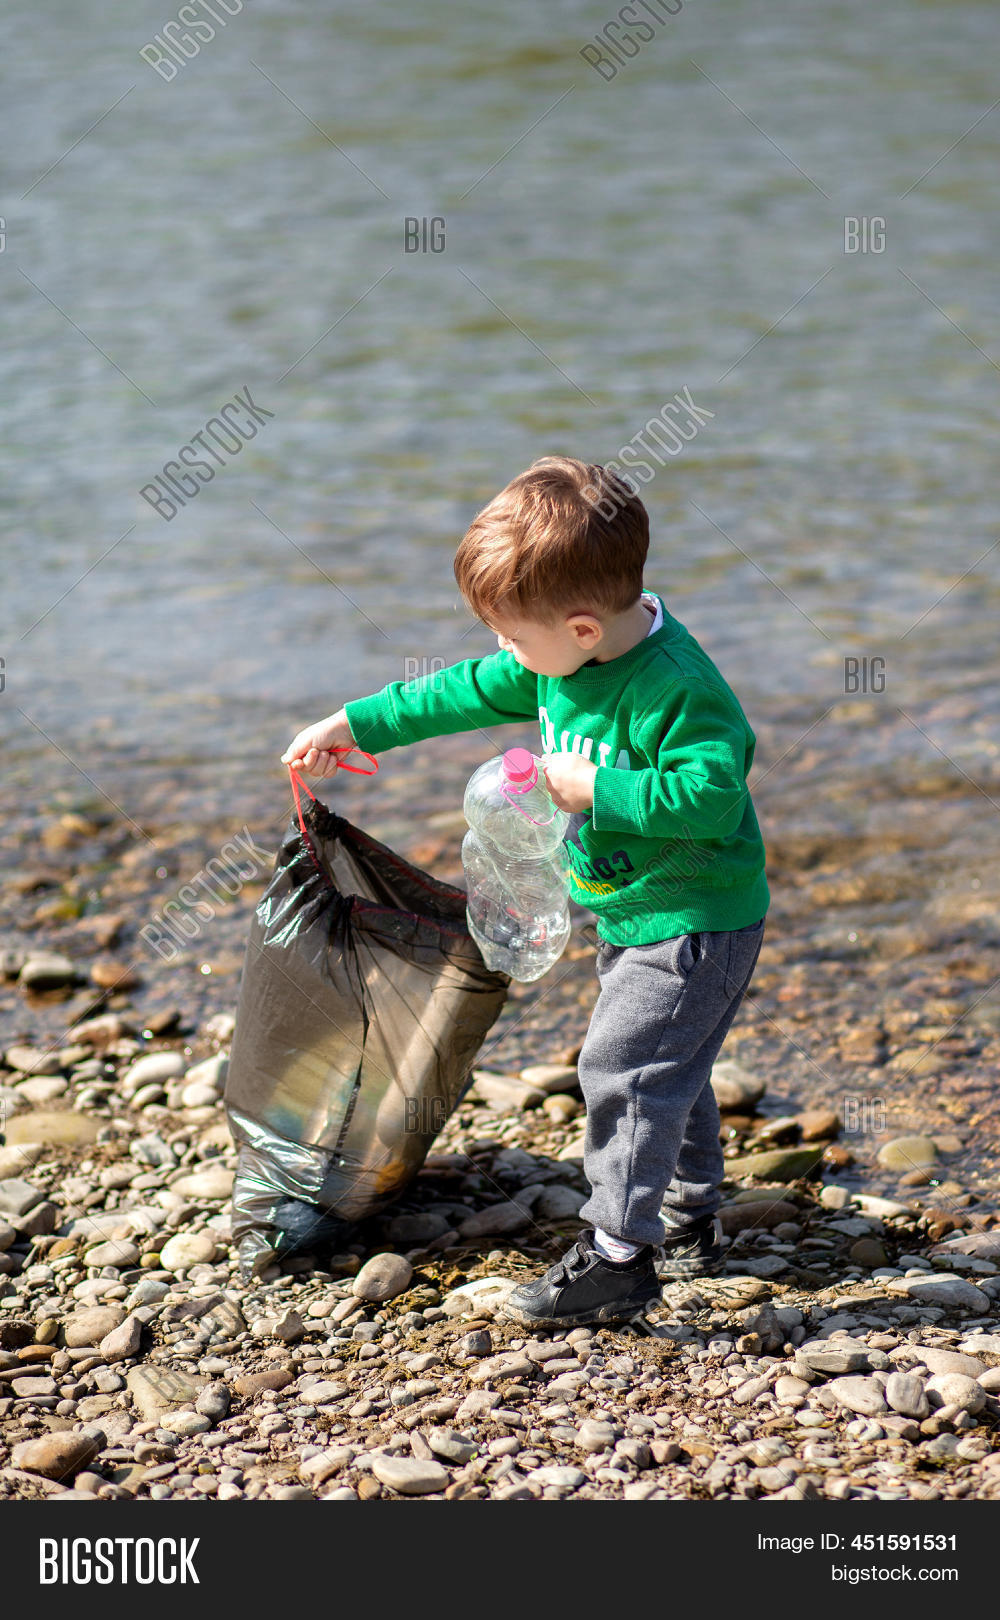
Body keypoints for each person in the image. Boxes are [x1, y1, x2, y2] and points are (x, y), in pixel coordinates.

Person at [282, 456, 769, 1329]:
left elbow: (714, 796)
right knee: (672, 1069)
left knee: (621, 1069)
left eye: (513, 637)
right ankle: (691, 1221)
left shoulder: (679, 690)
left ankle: (620, 1255)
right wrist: (354, 723)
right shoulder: (560, 658)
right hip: (634, 908)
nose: (506, 654)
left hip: (696, 920)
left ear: (583, 627)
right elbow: (460, 690)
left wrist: (597, 792)